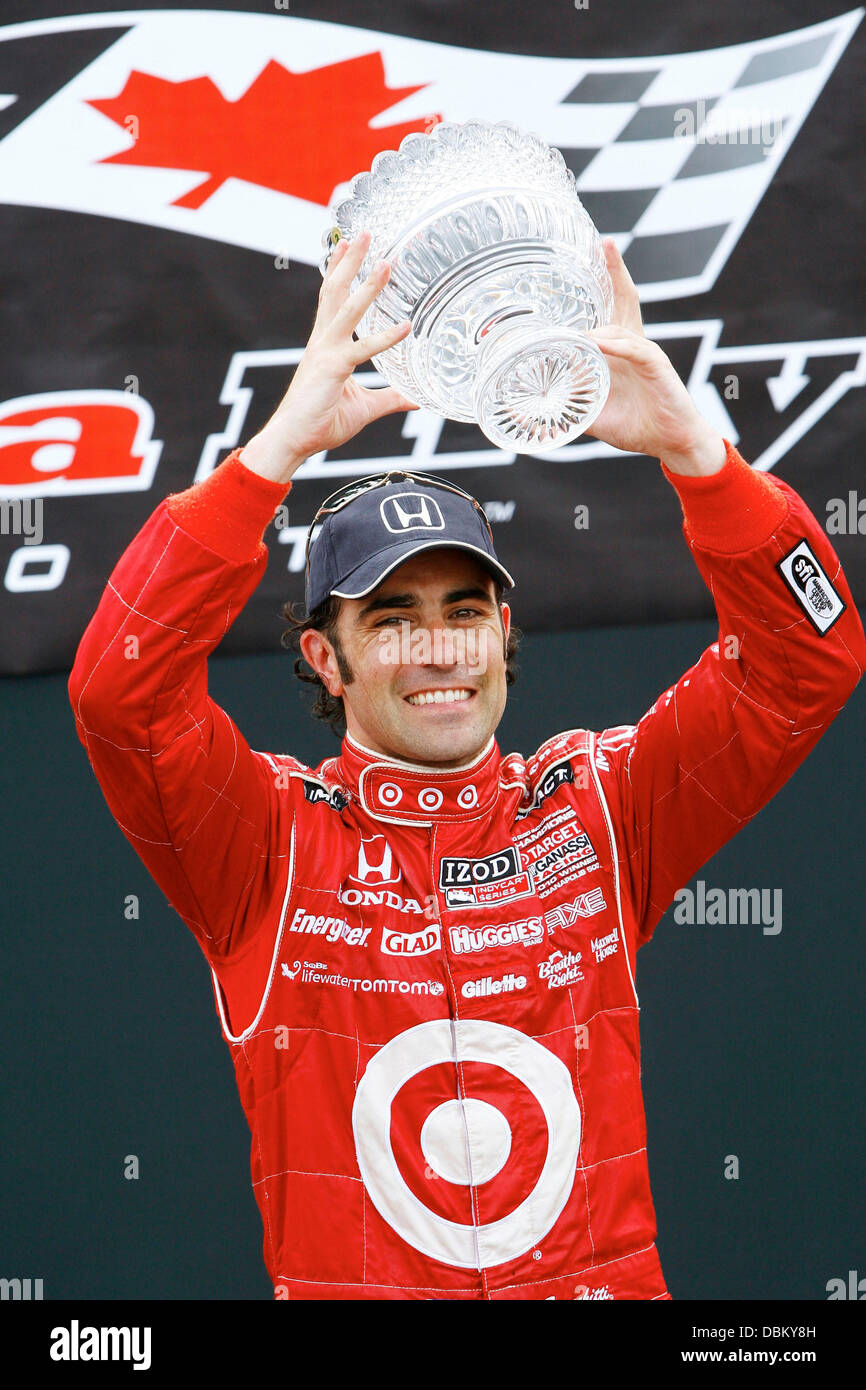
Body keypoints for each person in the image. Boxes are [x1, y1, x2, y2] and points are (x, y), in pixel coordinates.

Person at [68, 230, 865, 1300]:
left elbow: (805, 660)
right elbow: (119, 692)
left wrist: (696, 454)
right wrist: (267, 462)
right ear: (324, 656)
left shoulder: (597, 810)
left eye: (463, 612)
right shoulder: (262, 841)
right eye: (392, 619)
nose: (437, 649)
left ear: (501, 631)